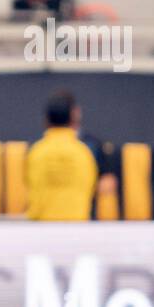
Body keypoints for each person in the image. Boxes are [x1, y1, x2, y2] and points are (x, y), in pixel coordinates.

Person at [26, 91, 99, 222]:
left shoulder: (36, 152)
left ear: (46, 120)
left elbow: (31, 191)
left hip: (41, 229)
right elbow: (89, 191)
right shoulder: (83, 153)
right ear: (73, 118)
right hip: (76, 228)